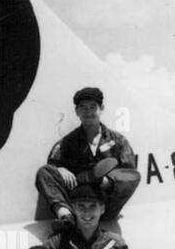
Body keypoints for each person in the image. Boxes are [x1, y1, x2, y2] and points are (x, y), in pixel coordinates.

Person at [35, 86, 140, 227]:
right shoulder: (67, 142)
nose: (88, 112)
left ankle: (99, 179)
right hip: (78, 203)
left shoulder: (118, 141)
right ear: (77, 112)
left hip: (105, 205)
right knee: (44, 172)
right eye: (83, 108)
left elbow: (130, 172)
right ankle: (65, 216)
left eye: (93, 107)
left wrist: (107, 181)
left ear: (101, 108)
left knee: (134, 175)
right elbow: (50, 167)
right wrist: (60, 169)